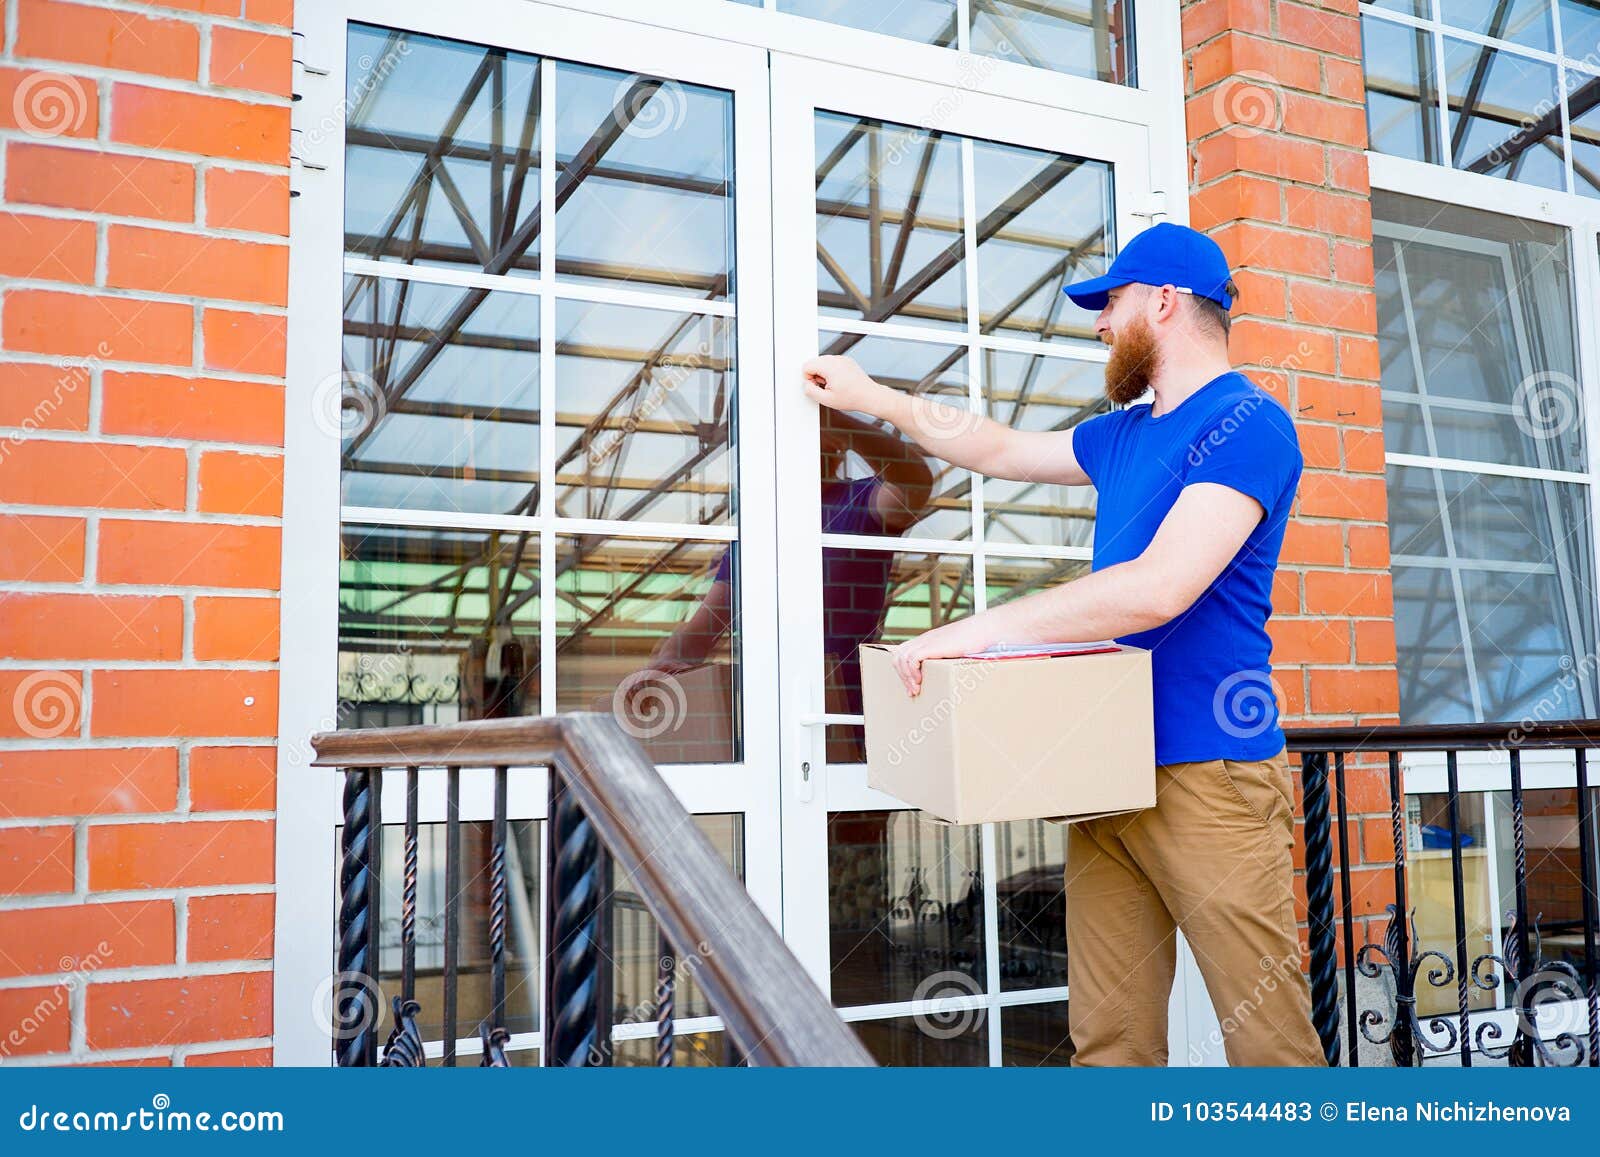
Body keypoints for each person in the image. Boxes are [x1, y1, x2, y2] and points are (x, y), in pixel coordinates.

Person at [799, 221, 1323, 1067]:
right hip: (1104, 768)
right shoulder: (1121, 434)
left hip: (1209, 773)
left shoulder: (1249, 423)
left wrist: (980, 631)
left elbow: (1162, 585)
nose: (1097, 324)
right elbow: (998, 448)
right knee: (1108, 1043)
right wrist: (877, 400)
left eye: (1109, 302)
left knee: (1267, 1042)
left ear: (1164, 301)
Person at [633, 403, 934, 761]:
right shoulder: (757, 529)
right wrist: (660, 668)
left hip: (852, 721)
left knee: (849, 814)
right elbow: (706, 625)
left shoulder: (864, 502)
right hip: (769, 724)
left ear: (836, 447)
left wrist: (834, 418)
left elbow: (915, 478)